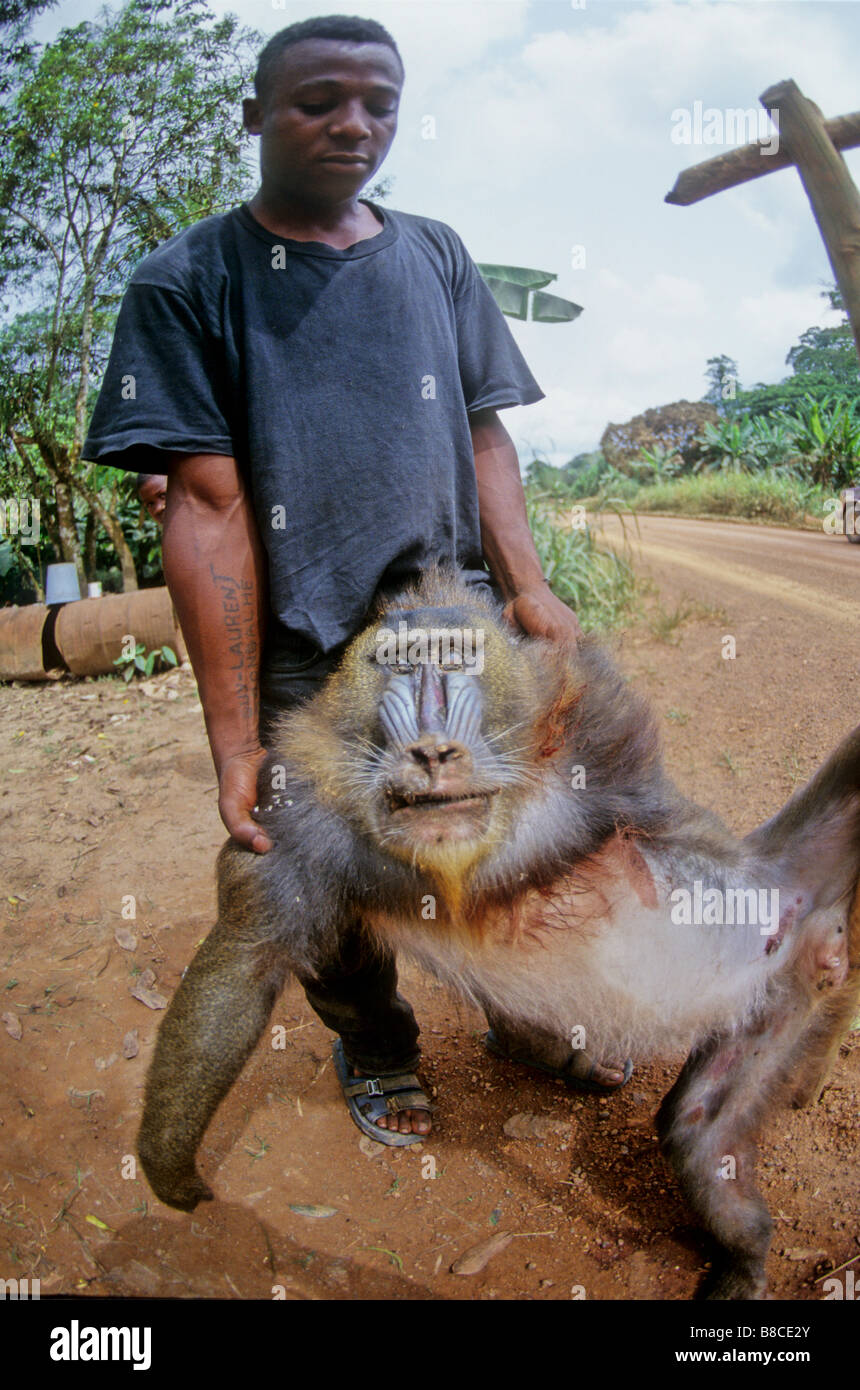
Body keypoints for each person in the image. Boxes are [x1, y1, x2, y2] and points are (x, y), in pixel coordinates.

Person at [83, 14, 627, 1149]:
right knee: (309, 875)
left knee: (491, 840)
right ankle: (375, 1042)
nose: (354, 124)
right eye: (319, 99)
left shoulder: (433, 252)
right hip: (301, 646)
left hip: (452, 628)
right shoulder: (187, 280)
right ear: (254, 116)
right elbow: (208, 505)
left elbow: (484, 436)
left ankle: (517, 1012)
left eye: (377, 102)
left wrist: (525, 586)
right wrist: (236, 742)